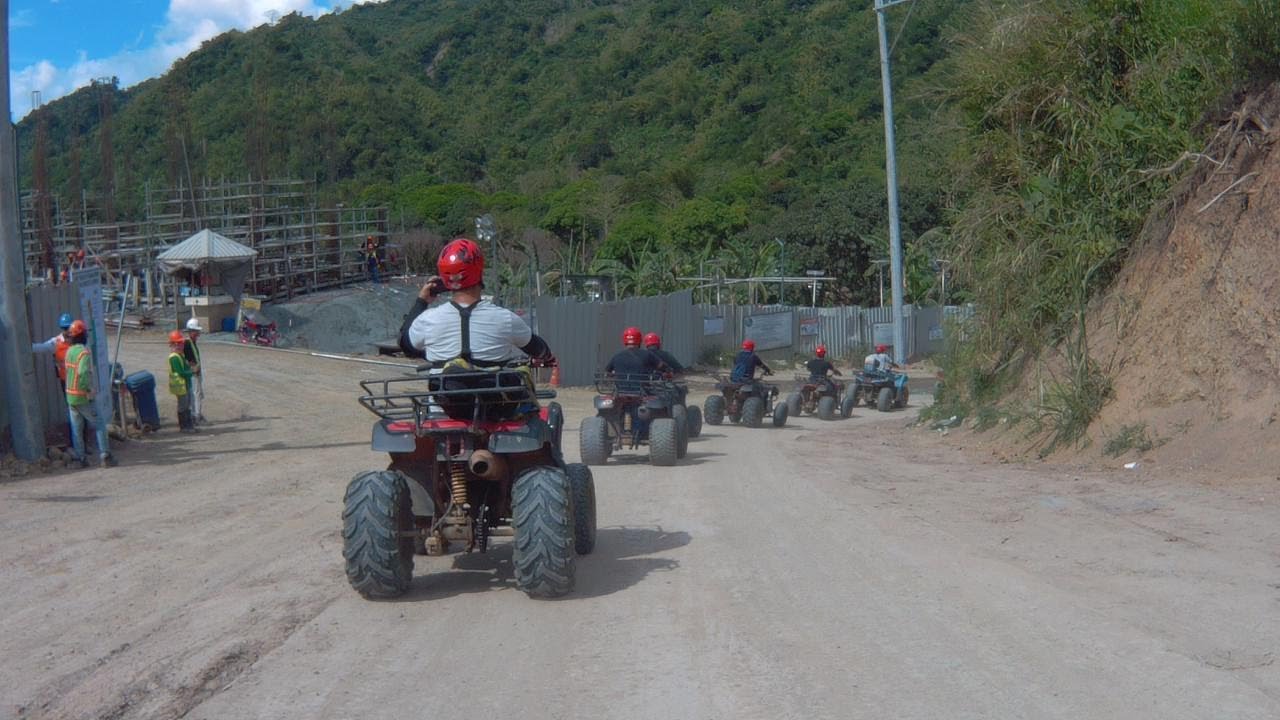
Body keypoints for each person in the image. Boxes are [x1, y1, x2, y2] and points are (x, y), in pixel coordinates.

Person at [399, 238, 556, 416]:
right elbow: (538, 348)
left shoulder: (428, 319)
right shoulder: (504, 318)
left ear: (444, 278)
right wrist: (546, 357)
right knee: (524, 381)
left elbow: (406, 345)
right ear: (479, 271)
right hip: (495, 410)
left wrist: (421, 302)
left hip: (443, 409)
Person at [63, 320, 116, 468]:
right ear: (83, 335)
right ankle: (105, 455)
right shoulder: (83, 353)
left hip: (71, 396)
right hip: (82, 396)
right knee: (99, 424)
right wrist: (88, 390)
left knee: (76, 428)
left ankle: (81, 458)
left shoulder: (69, 352)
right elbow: (83, 373)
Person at [32, 312, 75, 391]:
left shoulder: (78, 340)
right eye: (65, 328)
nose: (67, 330)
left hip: (79, 380)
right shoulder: (55, 342)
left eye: (69, 327)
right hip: (66, 381)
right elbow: (41, 347)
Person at [168, 330, 197, 433]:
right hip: (180, 386)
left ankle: (189, 425)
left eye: (181, 343)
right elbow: (180, 372)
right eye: (178, 343)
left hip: (185, 384)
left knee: (187, 405)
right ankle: (184, 426)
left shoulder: (180, 355)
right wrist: (192, 372)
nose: (181, 346)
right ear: (173, 344)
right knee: (183, 406)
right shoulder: (174, 358)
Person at [183, 318, 207, 425]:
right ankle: (196, 416)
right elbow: (186, 359)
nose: (198, 333)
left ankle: (197, 414)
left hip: (196, 372)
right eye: (196, 331)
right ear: (191, 331)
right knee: (196, 394)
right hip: (193, 373)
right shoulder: (187, 343)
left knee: (198, 394)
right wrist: (193, 367)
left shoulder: (192, 342)